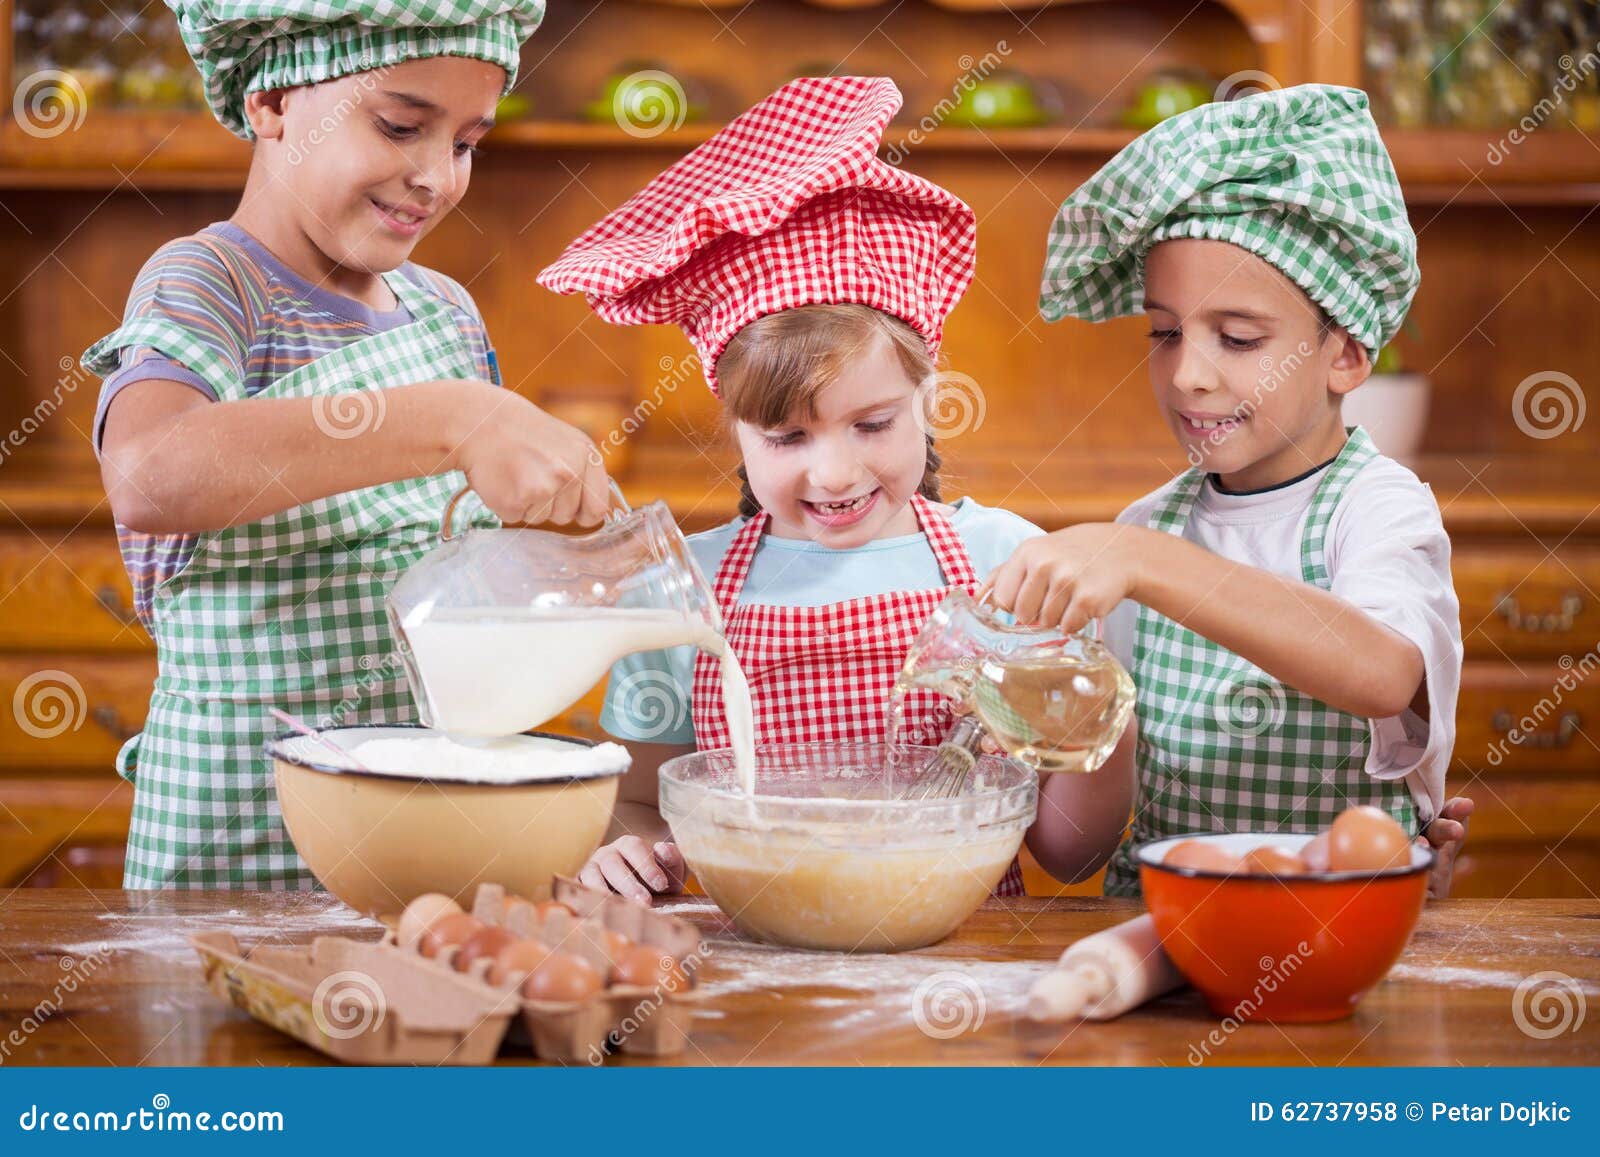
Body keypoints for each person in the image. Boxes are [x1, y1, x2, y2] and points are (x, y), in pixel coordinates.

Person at [85, 0, 610, 888]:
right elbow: (147, 473)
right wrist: (458, 419)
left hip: (415, 819)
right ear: (275, 102)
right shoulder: (215, 283)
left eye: (467, 143)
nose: (437, 177)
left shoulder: (444, 311)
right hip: (239, 837)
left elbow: (450, 550)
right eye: (402, 126)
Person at [539, 76, 1045, 902]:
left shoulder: (1006, 565)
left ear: (929, 398)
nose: (835, 472)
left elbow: (1069, 838)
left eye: (873, 424)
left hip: (961, 966)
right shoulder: (682, 588)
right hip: (751, 972)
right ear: (736, 428)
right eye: (787, 437)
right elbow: (641, 803)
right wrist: (626, 851)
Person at [989, 84, 1472, 898]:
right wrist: (1064, 714)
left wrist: (1145, 560)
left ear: (1346, 353)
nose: (1188, 373)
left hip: (1336, 942)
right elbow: (1071, 852)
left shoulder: (1375, 508)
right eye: (1165, 331)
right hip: (1159, 949)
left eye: (1239, 338)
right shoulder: (1144, 534)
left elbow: (1382, 673)